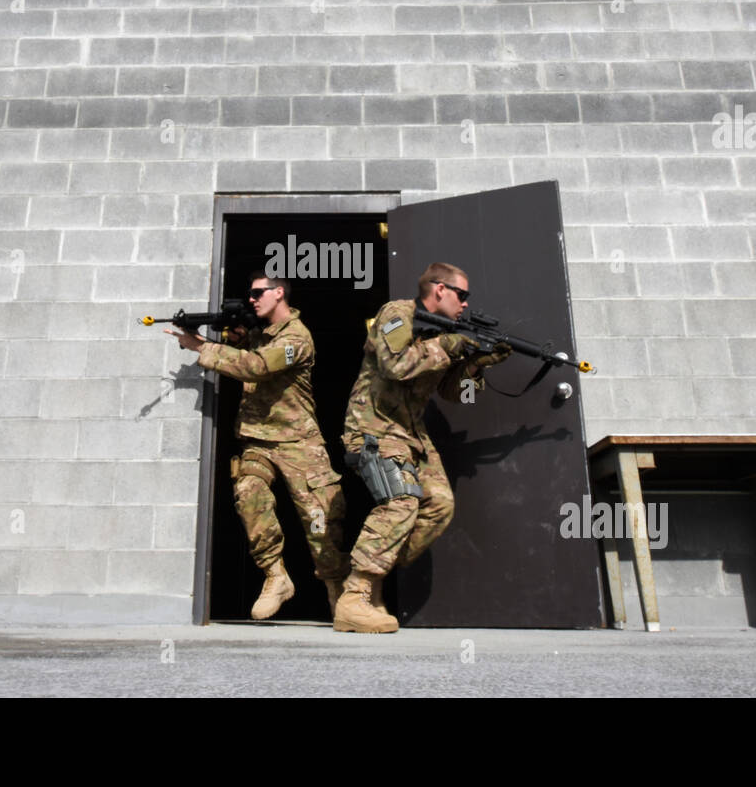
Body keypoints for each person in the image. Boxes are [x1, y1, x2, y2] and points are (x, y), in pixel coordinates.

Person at [333, 262, 511, 633]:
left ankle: (371, 583)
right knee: (401, 502)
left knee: (440, 505)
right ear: (439, 289)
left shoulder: (447, 334)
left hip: (412, 436)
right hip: (373, 427)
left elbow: (455, 394)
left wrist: (477, 367)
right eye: (461, 295)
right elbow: (396, 366)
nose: (465, 304)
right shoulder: (398, 314)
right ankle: (354, 595)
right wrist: (450, 343)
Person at [167, 272, 348, 620]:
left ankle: (339, 594)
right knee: (249, 494)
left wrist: (203, 347)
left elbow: (259, 367)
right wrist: (232, 338)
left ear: (279, 293)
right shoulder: (258, 336)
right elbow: (250, 354)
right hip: (258, 439)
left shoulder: (297, 337)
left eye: (257, 292)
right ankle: (276, 577)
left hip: (298, 442)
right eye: (249, 293)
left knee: (319, 521)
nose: (251, 299)